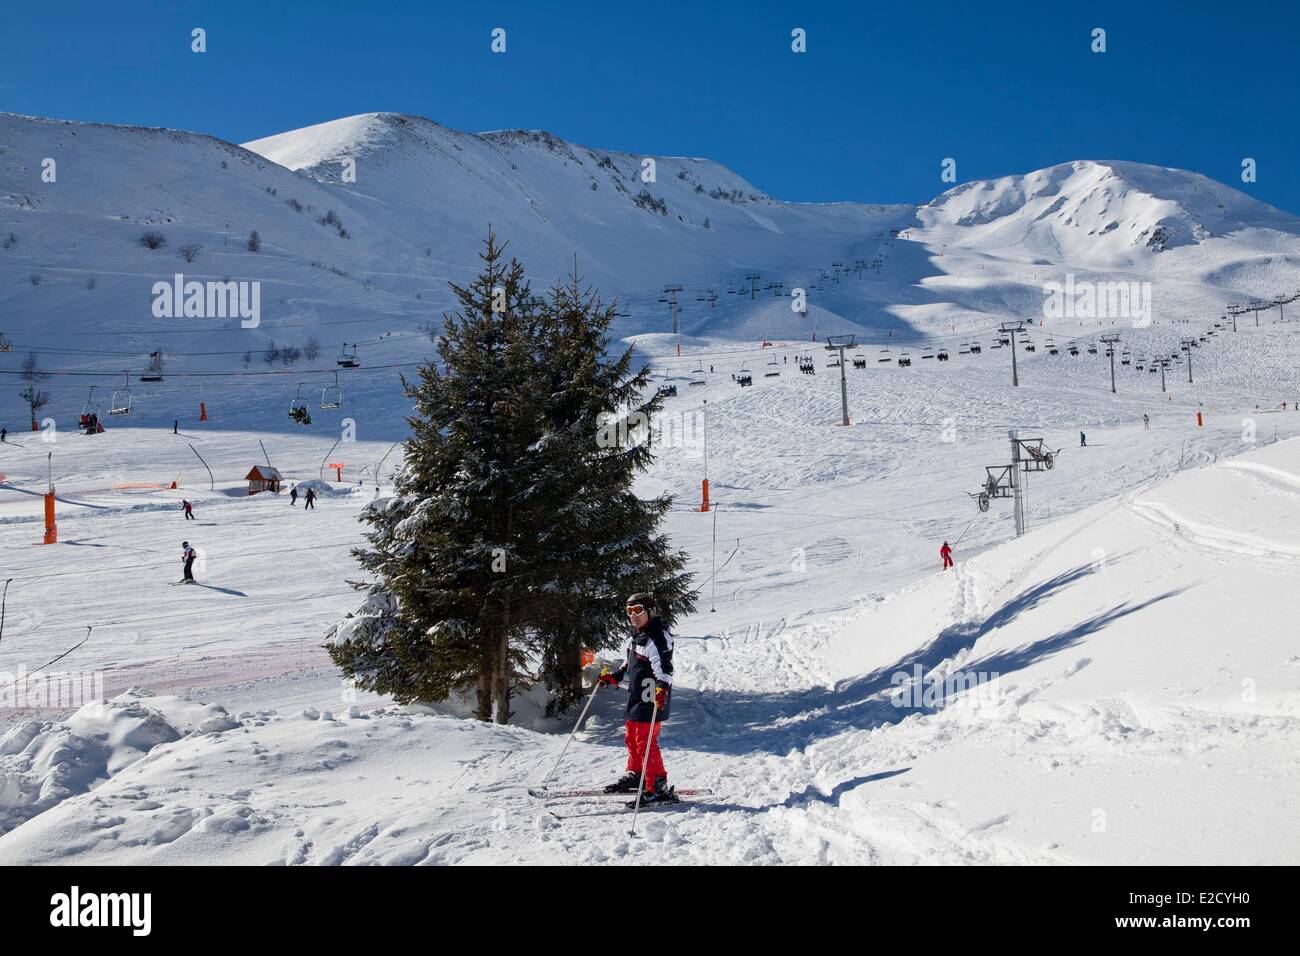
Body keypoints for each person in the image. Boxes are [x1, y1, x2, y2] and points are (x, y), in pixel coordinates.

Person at [598, 593, 676, 804]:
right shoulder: (635, 637)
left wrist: (662, 689)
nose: (634, 616)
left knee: (646, 742)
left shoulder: (658, 637)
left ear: (650, 611)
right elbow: (628, 668)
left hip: (652, 697)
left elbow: (665, 669)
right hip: (636, 697)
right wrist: (613, 678)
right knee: (632, 738)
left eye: (638, 610)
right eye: (629, 612)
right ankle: (637, 775)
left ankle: (657, 786)